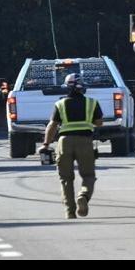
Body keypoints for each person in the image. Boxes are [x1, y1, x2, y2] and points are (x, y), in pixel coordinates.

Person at [41, 74, 102, 219]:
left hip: (64, 142)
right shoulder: (92, 103)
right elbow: (99, 123)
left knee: (66, 179)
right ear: (82, 87)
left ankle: (70, 212)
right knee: (88, 175)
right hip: (85, 141)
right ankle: (84, 195)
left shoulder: (60, 104)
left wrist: (45, 144)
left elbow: (52, 125)